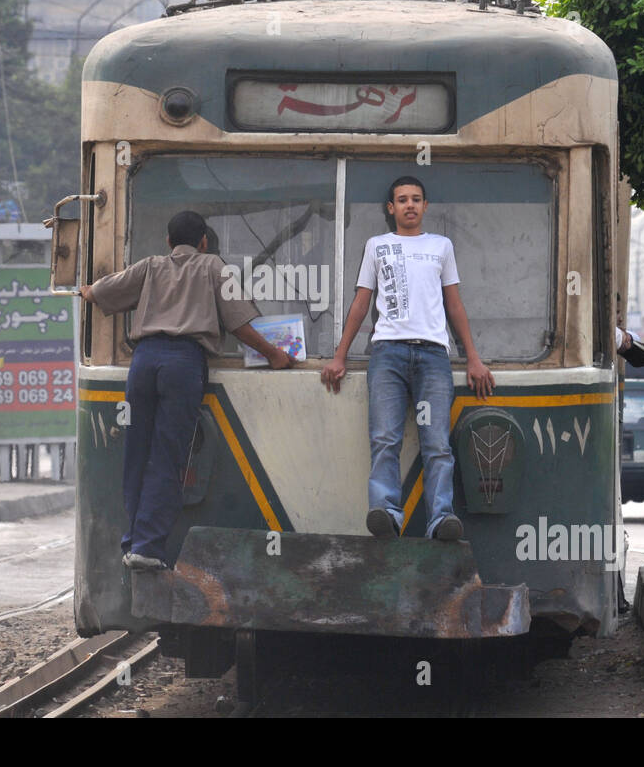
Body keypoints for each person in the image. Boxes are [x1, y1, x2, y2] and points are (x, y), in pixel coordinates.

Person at [80, 210, 296, 570]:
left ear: (168, 241)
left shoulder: (151, 266)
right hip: (183, 363)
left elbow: (99, 292)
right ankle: (148, 547)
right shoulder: (213, 267)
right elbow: (239, 323)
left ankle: (133, 543)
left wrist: (87, 290)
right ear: (204, 241)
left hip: (144, 362)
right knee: (168, 455)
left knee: (137, 453)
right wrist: (274, 354)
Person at [320, 176, 494, 541]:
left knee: (437, 444)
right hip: (387, 354)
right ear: (391, 208)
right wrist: (340, 355)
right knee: (385, 438)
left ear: (425, 206)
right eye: (402, 200)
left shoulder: (441, 247)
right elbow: (361, 302)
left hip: (433, 355)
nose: (410, 205)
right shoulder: (377, 246)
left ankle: (439, 520)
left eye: (416, 199)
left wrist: (473, 358)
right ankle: (386, 512)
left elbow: (454, 304)